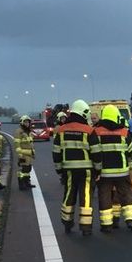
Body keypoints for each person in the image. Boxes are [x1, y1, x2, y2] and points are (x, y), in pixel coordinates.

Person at [52, 99, 100, 236]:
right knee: (85, 196)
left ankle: (67, 223)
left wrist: (59, 169)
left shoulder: (61, 130)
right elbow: (96, 152)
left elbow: (56, 152)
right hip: (86, 171)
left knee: (69, 195)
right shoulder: (89, 131)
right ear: (83, 113)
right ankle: (86, 227)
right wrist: (98, 169)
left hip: (69, 170)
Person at [93, 104, 132, 232]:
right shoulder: (124, 131)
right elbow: (131, 151)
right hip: (121, 171)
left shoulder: (97, 132)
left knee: (105, 197)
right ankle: (131, 220)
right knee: (126, 195)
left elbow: (94, 151)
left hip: (104, 172)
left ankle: (106, 224)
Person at [14, 115, 36, 189]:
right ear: (22, 123)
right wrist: (20, 154)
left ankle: (27, 182)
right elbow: (17, 144)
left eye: (28, 122)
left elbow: (31, 143)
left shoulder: (28, 132)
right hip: (23, 154)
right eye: (25, 122)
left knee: (28, 169)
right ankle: (21, 184)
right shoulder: (19, 131)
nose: (27, 123)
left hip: (29, 154)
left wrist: (33, 152)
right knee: (23, 169)